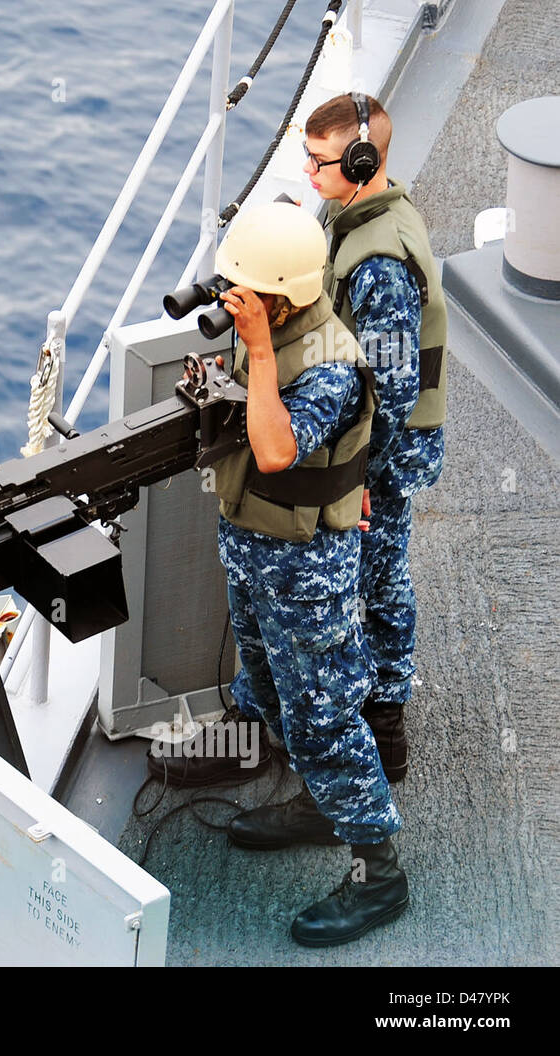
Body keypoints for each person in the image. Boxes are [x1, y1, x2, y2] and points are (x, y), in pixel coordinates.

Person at [209, 201, 408, 946]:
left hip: (305, 573)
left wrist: (258, 353)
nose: (235, 308)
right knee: (266, 689)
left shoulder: (326, 364)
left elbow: (278, 452)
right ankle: (319, 809)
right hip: (255, 554)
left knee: (325, 718)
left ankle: (378, 875)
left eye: (247, 297)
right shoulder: (277, 328)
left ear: (283, 300)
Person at [303, 92, 447, 784]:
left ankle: (385, 727)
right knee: (373, 570)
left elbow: (391, 394)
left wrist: (356, 478)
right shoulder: (364, 209)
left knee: (378, 572)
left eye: (320, 161)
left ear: (362, 161)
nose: (308, 173)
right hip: (372, 438)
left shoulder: (379, 265)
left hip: (385, 451)